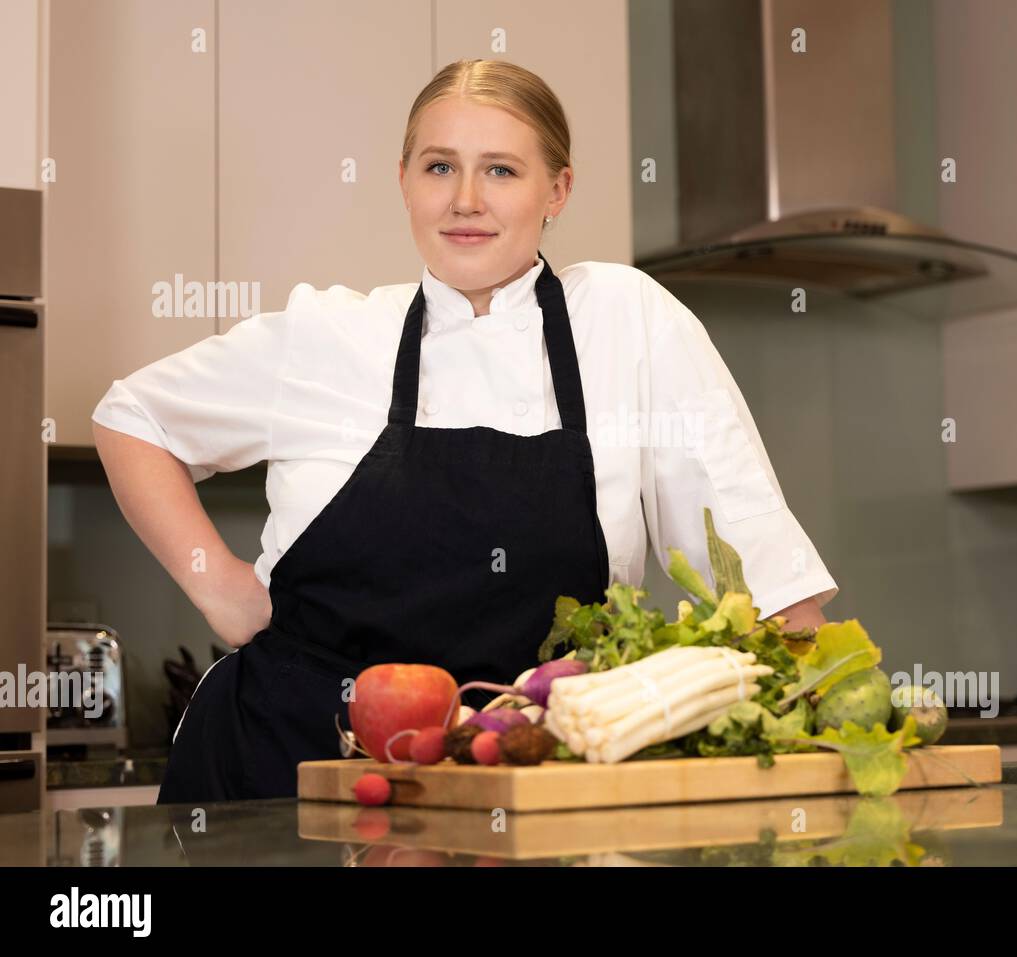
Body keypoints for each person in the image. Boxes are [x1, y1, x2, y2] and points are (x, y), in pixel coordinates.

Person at [92, 58, 838, 803]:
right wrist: (221, 587)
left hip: (535, 786)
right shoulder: (329, 334)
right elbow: (132, 416)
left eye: (503, 171)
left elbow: (768, 590)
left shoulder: (627, 322)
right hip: (282, 774)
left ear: (559, 190)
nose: (466, 200)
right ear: (404, 180)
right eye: (440, 166)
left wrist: (814, 742)